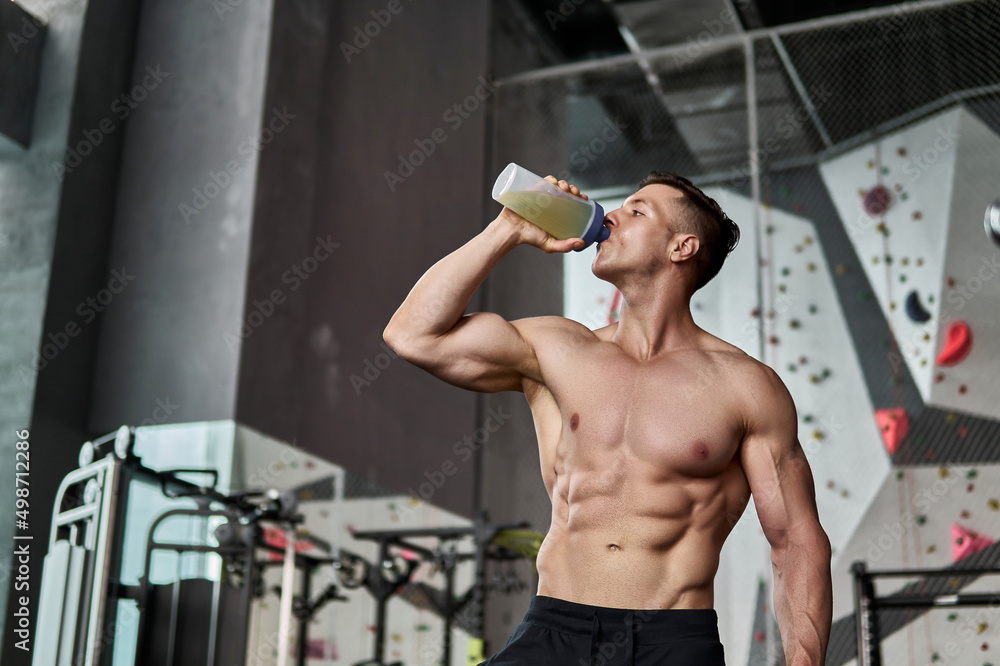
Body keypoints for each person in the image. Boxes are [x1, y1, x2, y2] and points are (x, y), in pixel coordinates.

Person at [383, 172, 832, 665]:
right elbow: (413, 336)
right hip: (555, 631)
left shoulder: (745, 385)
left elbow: (795, 541)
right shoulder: (558, 350)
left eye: (637, 211)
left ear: (681, 247)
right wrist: (508, 228)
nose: (611, 216)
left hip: (671, 642)